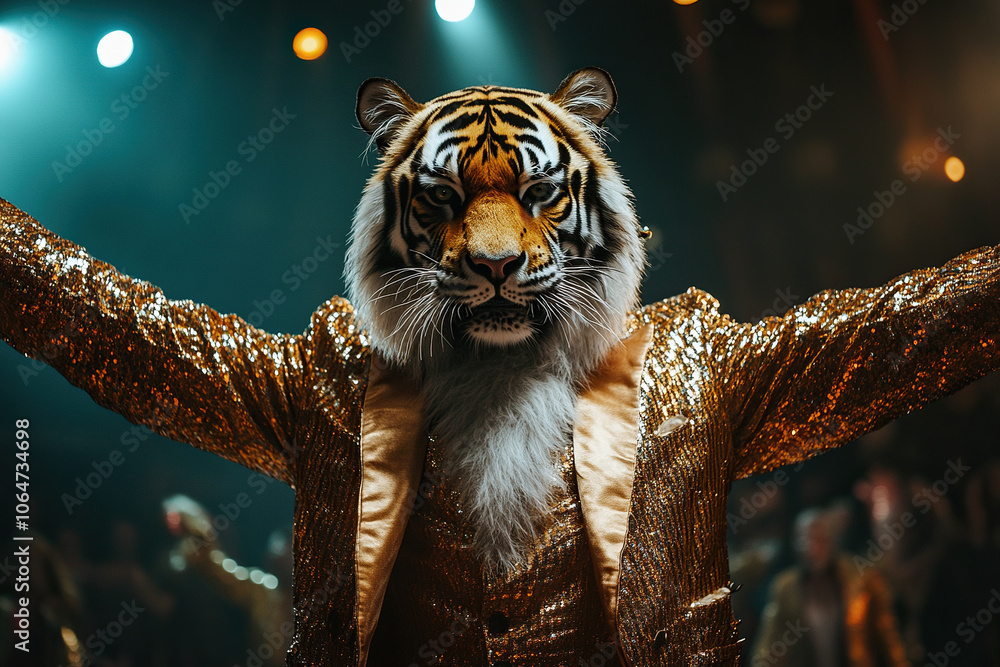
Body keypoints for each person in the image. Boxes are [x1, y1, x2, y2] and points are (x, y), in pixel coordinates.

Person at [1, 68, 997, 665]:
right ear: (385, 230)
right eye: (441, 203)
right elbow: (126, 336)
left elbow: (892, 335)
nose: (490, 247)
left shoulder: (694, 367)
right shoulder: (335, 382)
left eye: (535, 200)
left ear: (599, 215)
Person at [752, 508, 909, 667]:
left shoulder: (862, 579)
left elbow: (888, 639)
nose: (812, 548)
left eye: (820, 540)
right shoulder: (786, 587)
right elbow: (768, 647)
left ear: (833, 541)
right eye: (805, 540)